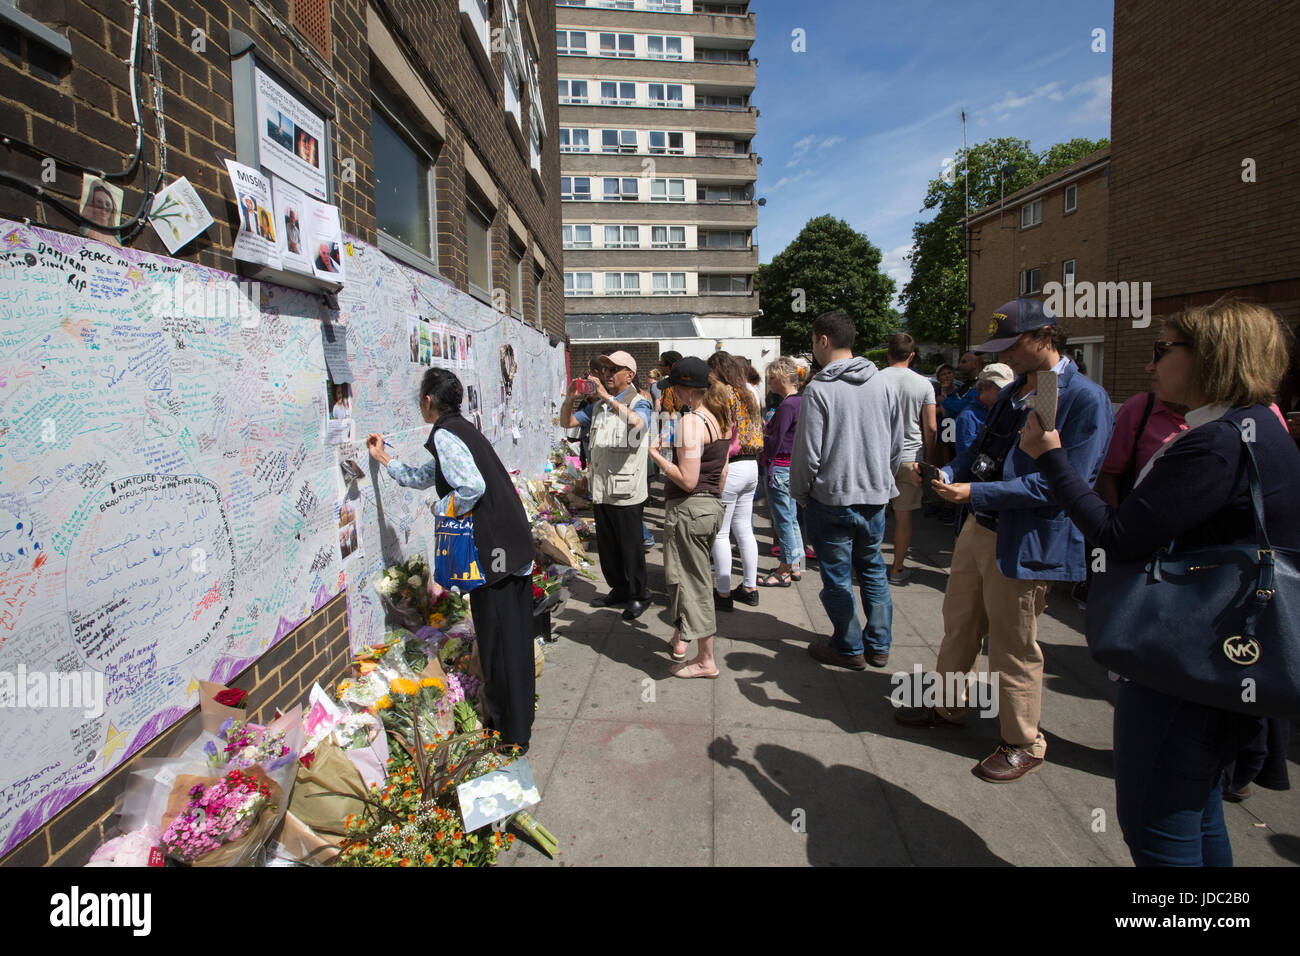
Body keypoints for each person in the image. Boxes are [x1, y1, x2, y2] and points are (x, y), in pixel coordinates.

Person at [1018, 297, 1300, 864]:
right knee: (1197, 810)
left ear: (1211, 357)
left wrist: (1051, 456)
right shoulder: (1255, 430)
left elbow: (1119, 536)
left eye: (1162, 350)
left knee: (1158, 825)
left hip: (1185, 661)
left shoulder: (1216, 446)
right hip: (1224, 656)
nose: (1151, 366)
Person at [896, 298, 1113, 783]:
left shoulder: (1081, 397)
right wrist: (948, 470)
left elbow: (1059, 485)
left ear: (1046, 336)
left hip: (1024, 536)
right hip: (981, 526)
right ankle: (949, 707)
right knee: (959, 624)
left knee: (1012, 646)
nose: (1006, 356)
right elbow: (979, 449)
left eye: (1013, 345)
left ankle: (1023, 740)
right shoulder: (1021, 387)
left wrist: (973, 490)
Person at [366, 369, 535, 751]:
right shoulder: (460, 428)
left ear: (427, 400)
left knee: (499, 645)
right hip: (509, 548)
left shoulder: (445, 434)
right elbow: (427, 475)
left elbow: (470, 487)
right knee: (512, 640)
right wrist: (386, 460)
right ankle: (517, 722)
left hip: (496, 556)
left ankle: (512, 735)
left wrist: (440, 508)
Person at [791, 311, 902, 670]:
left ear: (823, 340)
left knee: (837, 578)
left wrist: (801, 494)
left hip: (832, 498)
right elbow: (897, 444)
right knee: (872, 570)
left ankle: (848, 646)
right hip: (875, 496)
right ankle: (879, 644)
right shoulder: (884, 384)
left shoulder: (820, 389)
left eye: (813, 341)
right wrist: (884, 480)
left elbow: (808, 453)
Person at [648, 357, 731, 678]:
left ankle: (706, 660)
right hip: (709, 508)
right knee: (688, 580)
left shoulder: (691, 422)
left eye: (676, 388)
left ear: (687, 388)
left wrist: (656, 456)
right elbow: (720, 470)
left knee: (692, 584)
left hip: (689, 509)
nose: (674, 395)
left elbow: (687, 479)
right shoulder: (720, 418)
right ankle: (681, 636)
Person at [560, 350, 653, 620]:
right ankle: (619, 589)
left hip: (626, 490)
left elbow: (639, 425)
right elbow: (567, 423)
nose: (607, 374)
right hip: (601, 487)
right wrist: (570, 399)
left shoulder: (639, 401)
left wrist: (608, 398)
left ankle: (639, 594)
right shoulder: (598, 405)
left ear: (630, 375)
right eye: (606, 369)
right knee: (609, 548)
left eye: (614, 370)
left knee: (630, 548)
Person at [879, 333, 936, 585]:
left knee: (874, 514)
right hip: (910, 458)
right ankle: (897, 569)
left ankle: (869, 565)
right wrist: (928, 461)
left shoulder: (875, 379)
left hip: (879, 458)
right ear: (912, 356)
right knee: (904, 517)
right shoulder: (924, 384)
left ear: (887, 352)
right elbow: (931, 427)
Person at [708, 352, 763, 610]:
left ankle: (722, 593)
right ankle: (750, 588)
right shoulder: (748, 392)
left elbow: (720, 431)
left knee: (721, 532)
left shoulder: (723, 393)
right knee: (744, 528)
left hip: (731, 465)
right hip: (752, 466)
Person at [758, 357, 804, 586]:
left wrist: (764, 437)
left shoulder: (787, 405)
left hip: (779, 467)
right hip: (791, 467)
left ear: (785, 377)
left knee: (783, 520)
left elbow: (775, 441)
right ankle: (795, 564)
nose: (770, 382)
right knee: (791, 518)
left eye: (773, 378)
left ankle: (785, 568)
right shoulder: (801, 401)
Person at [953, 363, 1014, 456]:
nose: (1007, 394)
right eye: (1001, 389)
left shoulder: (1008, 411)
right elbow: (967, 457)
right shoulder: (968, 417)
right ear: (983, 386)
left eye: (1009, 390)